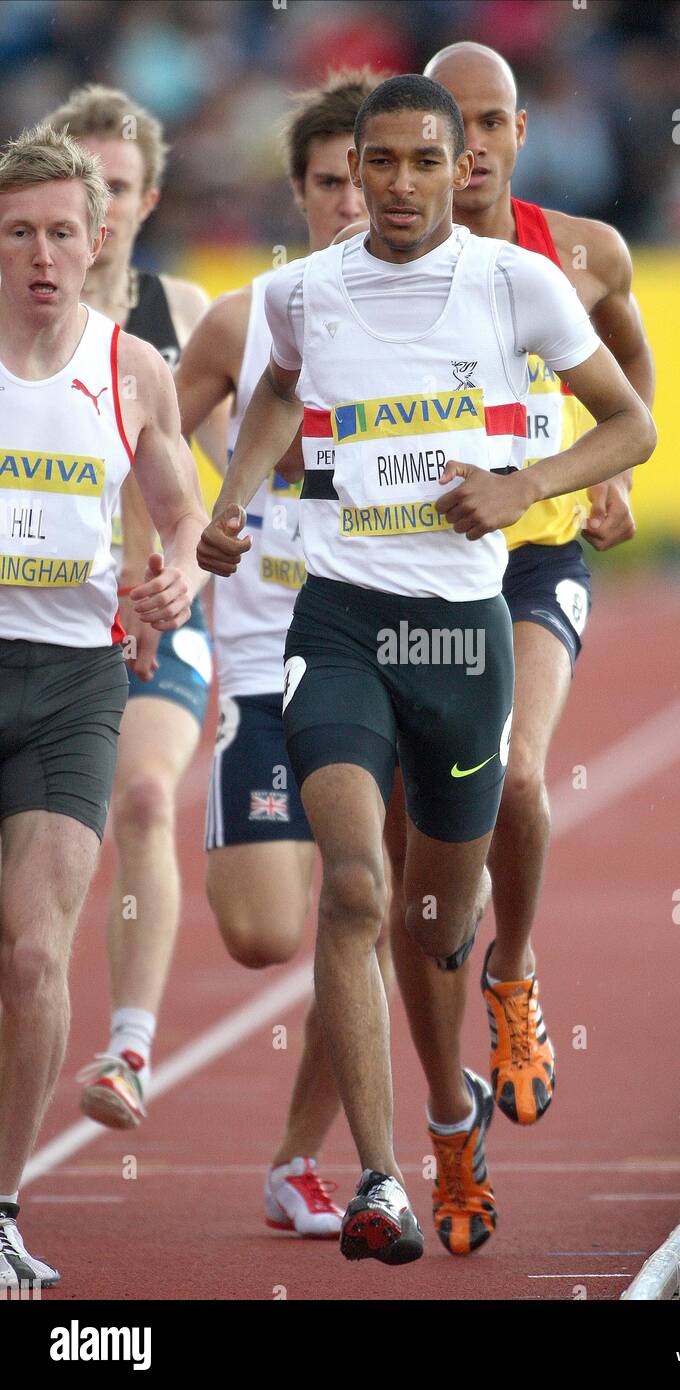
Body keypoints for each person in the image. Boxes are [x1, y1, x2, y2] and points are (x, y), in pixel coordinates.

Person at [197, 73, 655, 1266]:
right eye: (378, 162)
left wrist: (530, 486)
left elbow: (631, 423)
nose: (397, 185)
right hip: (340, 624)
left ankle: (458, 1114)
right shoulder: (302, 291)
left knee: (432, 917)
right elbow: (282, 389)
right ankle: (384, 1179)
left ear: (465, 170)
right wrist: (236, 500)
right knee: (351, 889)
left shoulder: (522, 283)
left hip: (463, 637)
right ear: (357, 167)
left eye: (422, 162)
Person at [378, 42, 658, 1255]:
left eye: (496, 124)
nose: (477, 148)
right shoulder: (383, 267)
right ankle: (441, 1117)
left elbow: (634, 378)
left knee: (524, 776)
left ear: (523, 130)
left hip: (534, 556)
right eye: (461, 126)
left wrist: (602, 483)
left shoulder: (586, 251)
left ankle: (517, 975)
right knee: (411, 886)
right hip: (422, 573)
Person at [0, 123, 207, 1288]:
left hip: (76, 680)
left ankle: (0, 1206)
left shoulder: (130, 368)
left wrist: (176, 569)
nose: (41, 254)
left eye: (62, 233)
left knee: (34, 958)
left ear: (98, 244)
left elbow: (179, 508)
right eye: (19, 232)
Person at [176, 71, 379, 1236]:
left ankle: (302, 1159)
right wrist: (199, 494)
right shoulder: (239, 318)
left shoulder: (438, 315)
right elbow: (149, 421)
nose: (355, 203)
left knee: (367, 905)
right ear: (299, 190)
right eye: (331, 183)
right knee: (264, 933)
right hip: (262, 662)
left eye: (372, 178)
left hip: (389, 651)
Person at [41, 85, 221, 1129]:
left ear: (147, 199)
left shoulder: (180, 316)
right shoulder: (23, 309)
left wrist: (182, 572)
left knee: (145, 800)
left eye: (117, 189)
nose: (99, 211)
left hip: (156, 615)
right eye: (82, 188)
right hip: (43, 614)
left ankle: (129, 1049)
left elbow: (232, 478)